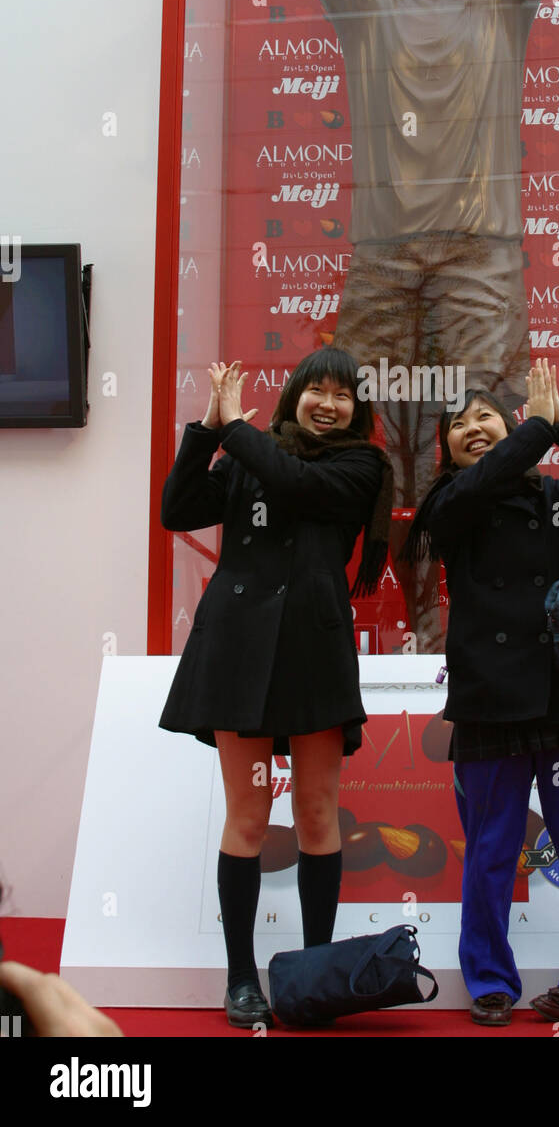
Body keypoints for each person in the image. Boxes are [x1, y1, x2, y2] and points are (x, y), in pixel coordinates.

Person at [257, 0, 559, 650]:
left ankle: (462, 633)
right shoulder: (367, 3)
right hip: (382, 261)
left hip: (481, 257)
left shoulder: (502, 0)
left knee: (477, 443)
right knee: (364, 448)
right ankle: (374, 625)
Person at [159, 348, 392, 1027]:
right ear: (292, 397)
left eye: (342, 394)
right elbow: (178, 509)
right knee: (251, 817)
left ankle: (315, 973)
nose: (328, 403)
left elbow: (295, 486)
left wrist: (239, 433)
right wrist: (208, 427)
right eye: (315, 390)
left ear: (357, 409)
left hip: (314, 649)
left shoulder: (360, 465)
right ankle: (240, 979)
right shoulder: (245, 452)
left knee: (318, 814)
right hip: (236, 646)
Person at [405, 360, 559, 1025]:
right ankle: (489, 980)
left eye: (485, 416)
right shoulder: (450, 503)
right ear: (446, 446)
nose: (472, 427)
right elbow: (484, 482)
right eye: (459, 424)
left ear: (510, 424)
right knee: (492, 851)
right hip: (489, 700)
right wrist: (533, 430)